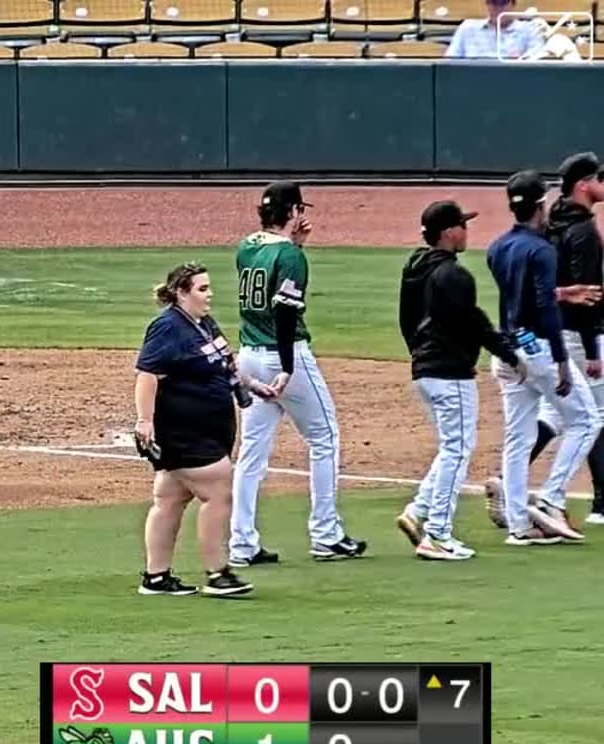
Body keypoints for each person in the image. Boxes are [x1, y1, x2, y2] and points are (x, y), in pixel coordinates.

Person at [228, 181, 368, 568]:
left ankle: (241, 544)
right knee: (324, 437)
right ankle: (326, 535)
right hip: (283, 355)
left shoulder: (247, 246)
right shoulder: (289, 257)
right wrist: (289, 367)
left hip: (249, 356)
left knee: (252, 452)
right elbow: (287, 312)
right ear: (292, 212)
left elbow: (270, 284)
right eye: (298, 209)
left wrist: (297, 244)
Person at [134, 262, 277, 598]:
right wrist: (144, 420)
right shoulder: (168, 327)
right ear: (181, 292)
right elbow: (147, 375)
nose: (209, 294)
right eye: (202, 288)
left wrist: (254, 386)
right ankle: (218, 573)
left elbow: (224, 364)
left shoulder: (202, 324)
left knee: (169, 498)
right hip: (184, 432)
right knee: (218, 493)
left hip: (205, 430)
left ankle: (156, 578)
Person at [396, 201, 525, 561]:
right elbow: (473, 323)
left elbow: (407, 321)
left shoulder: (415, 269)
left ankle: (419, 511)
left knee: (451, 446)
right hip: (449, 372)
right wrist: (508, 353)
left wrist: (419, 354)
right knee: (458, 449)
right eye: (462, 226)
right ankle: (437, 533)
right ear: (449, 232)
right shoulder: (453, 275)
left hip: (425, 370)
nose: (467, 231)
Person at [486, 169, 604, 545]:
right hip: (538, 348)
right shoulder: (541, 250)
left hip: (507, 349)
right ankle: (552, 500)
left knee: (518, 438)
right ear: (541, 203)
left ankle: (520, 527)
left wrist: (563, 293)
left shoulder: (498, 247)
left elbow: (521, 296)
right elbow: (543, 308)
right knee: (587, 420)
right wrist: (561, 361)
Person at [444, 0, 548, 59]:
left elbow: (536, 66)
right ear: (486, 4)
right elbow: (449, 63)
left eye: (502, 2)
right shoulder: (467, 28)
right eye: (493, 2)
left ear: (513, 4)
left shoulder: (530, 30)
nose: (497, 8)